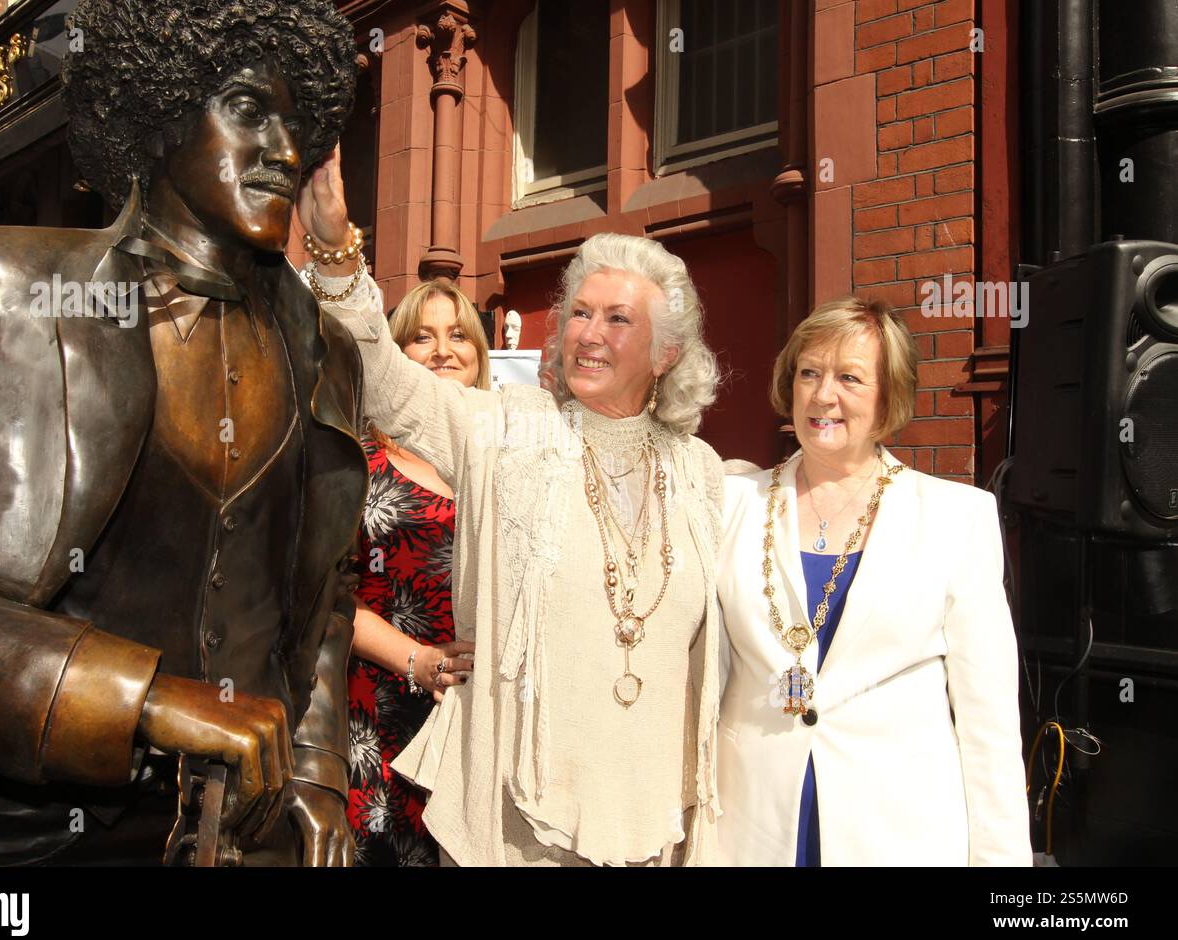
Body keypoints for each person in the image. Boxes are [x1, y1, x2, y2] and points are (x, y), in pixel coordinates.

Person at [0, 0, 363, 866]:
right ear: (159, 105)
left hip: (241, 840)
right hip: (6, 838)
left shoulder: (328, 355)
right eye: (250, 111)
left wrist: (319, 770)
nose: (287, 154)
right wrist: (139, 699)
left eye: (302, 125)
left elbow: (325, 598)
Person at [296, 148, 726, 866]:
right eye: (580, 313)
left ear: (666, 354)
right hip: (518, 819)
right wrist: (338, 254)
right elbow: (384, 379)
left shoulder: (702, 475)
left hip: (656, 823)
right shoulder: (506, 429)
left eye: (617, 319)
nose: (587, 334)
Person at [715, 297, 1031, 866]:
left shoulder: (957, 518)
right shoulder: (730, 503)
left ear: (889, 398)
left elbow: (989, 727)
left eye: (850, 378)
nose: (823, 394)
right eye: (809, 373)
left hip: (897, 837)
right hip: (752, 832)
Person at [346, 278, 488, 866]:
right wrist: (415, 659)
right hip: (387, 712)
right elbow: (327, 598)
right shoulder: (358, 464)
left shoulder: (515, 460)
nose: (443, 350)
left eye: (459, 335)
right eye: (421, 337)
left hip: (486, 718)